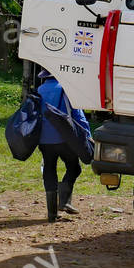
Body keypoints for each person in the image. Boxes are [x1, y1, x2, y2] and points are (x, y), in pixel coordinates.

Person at [37, 71, 90, 222]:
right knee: (74, 167)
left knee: (49, 168)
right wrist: (87, 134)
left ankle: (52, 214)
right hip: (65, 138)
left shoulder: (39, 91)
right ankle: (65, 201)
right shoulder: (67, 89)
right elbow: (78, 115)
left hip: (44, 139)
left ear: (45, 78)